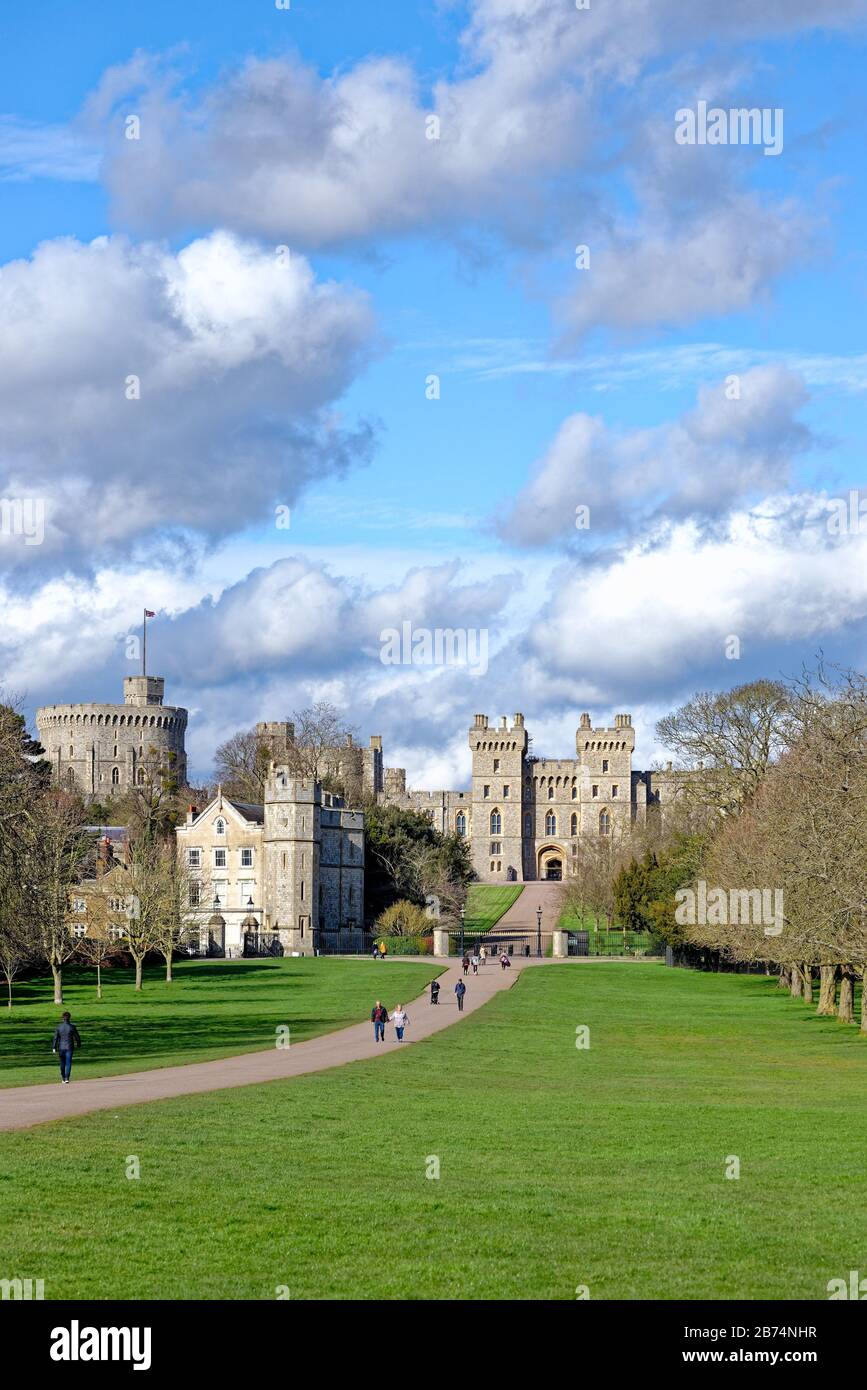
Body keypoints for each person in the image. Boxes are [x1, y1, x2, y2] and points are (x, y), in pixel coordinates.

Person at [52, 1011, 82, 1085]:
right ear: (69, 1018)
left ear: (63, 1018)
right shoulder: (72, 1027)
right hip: (69, 1047)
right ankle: (67, 1078)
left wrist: (54, 1047)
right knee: (68, 1063)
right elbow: (77, 1037)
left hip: (61, 1047)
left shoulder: (59, 1027)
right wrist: (78, 1044)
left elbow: (55, 1038)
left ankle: (63, 1077)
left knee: (62, 1063)